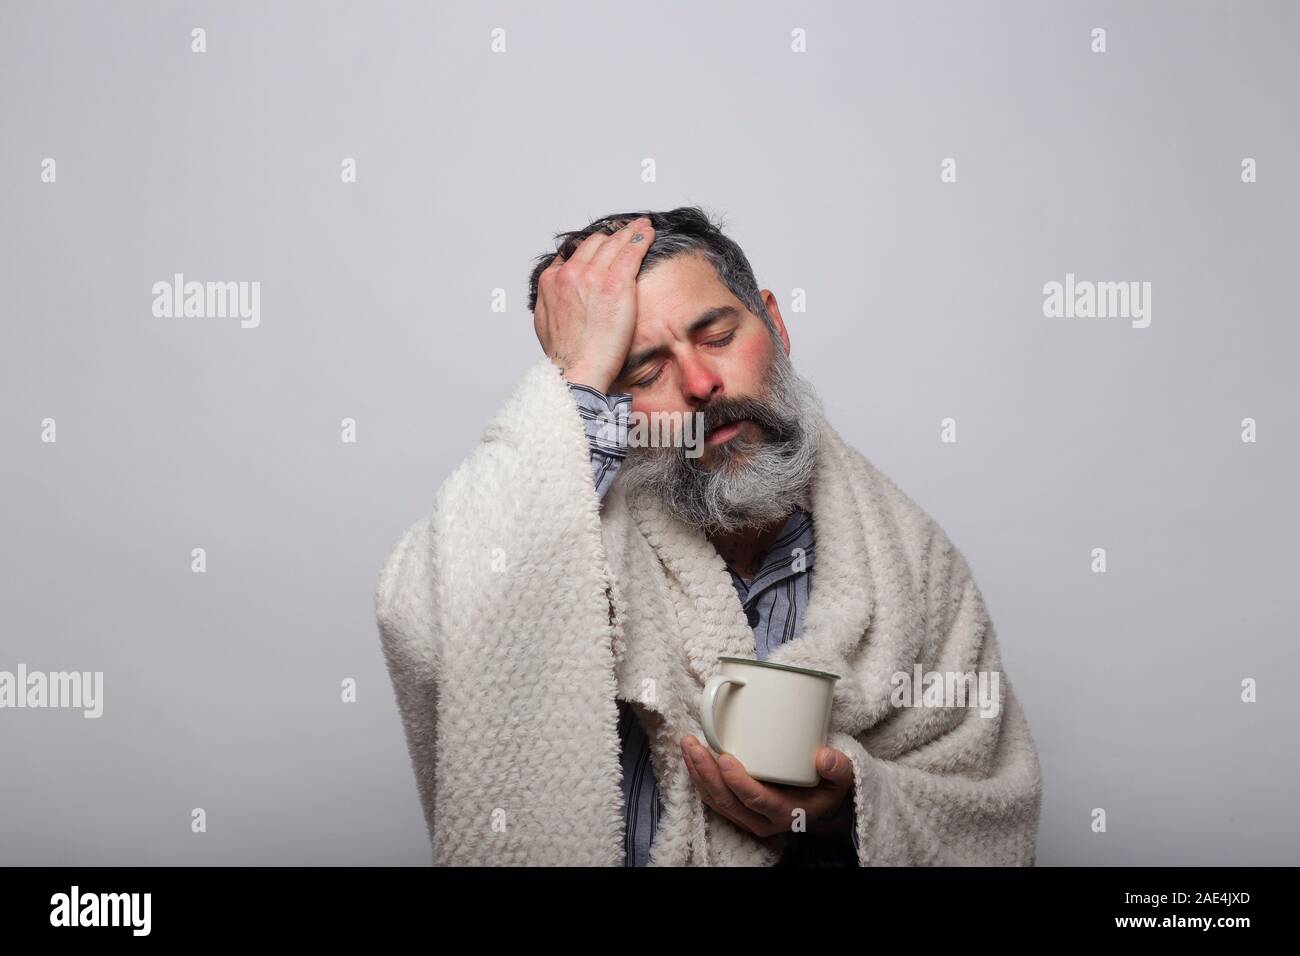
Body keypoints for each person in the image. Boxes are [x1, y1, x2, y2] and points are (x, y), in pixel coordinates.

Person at [375, 206, 1042, 866]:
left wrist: (842, 815)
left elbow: (987, 815)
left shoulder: (910, 560)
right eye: (642, 372)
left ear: (773, 322)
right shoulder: (555, 525)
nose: (699, 385)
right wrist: (571, 387)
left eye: (717, 335)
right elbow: (432, 624)